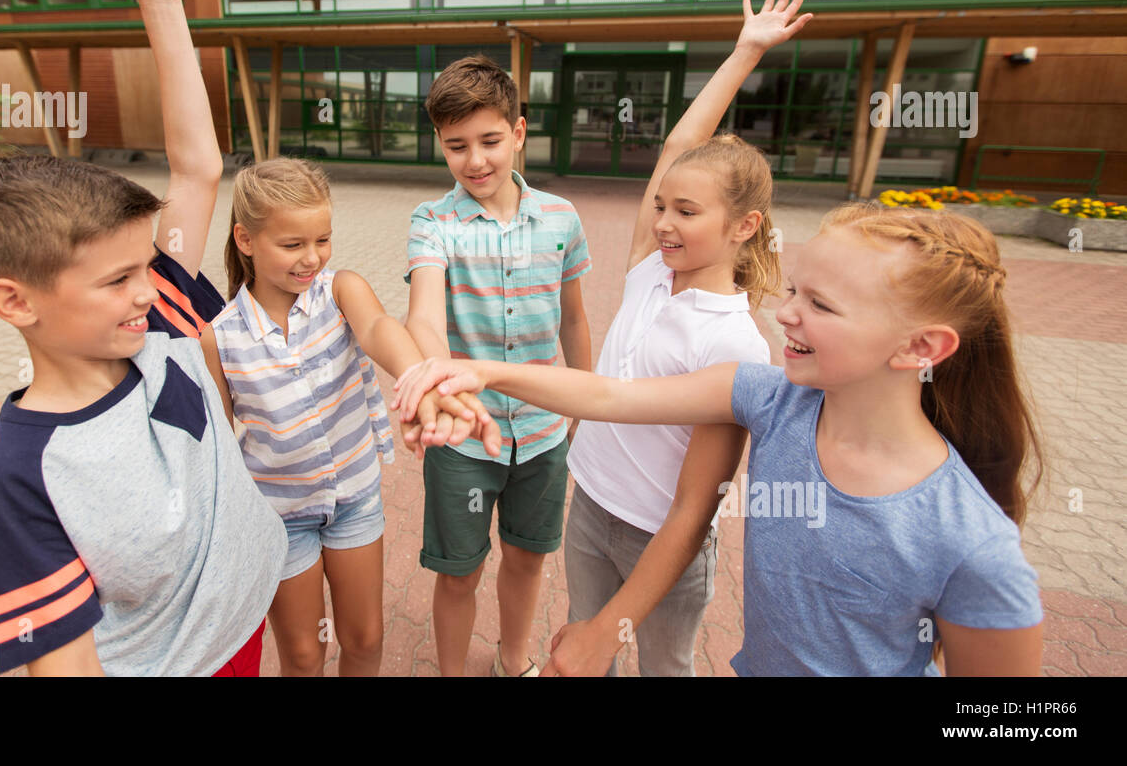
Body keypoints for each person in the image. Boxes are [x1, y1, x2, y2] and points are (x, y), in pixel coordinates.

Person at [394, 202, 1046, 676]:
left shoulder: (972, 544)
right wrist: (477, 370)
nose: (785, 311)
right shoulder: (771, 398)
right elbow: (610, 396)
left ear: (921, 347)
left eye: (821, 305)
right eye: (794, 289)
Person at [0, 0, 285, 675]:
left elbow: (197, 167)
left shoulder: (153, 313)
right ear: (13, 300)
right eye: (116, 279)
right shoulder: (23, 474)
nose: (153, 286)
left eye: (146, 266)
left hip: (249, 623)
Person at [550, 0, 812, 676]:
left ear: (744, 225)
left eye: (687, 212)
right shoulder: (647, 269)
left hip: (660, 539)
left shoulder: (734, 343)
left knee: (660, 667)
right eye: (661, 205)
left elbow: (696, 509)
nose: (664, 222)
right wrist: (744, 53)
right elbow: (680, 143)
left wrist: (616, 624)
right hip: (591, 505)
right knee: (585, 653)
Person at [199, 158, 490, 676]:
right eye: (292, 245)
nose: (312, 258)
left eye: (323, 240)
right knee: (305, 654)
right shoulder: (218, 339)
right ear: (245, 240)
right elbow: (218, 443)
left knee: (364, 638)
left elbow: (381, 329)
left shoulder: (341, 291)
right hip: (279, 516)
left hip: (354, 497)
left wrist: (422, 387)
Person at [403, 55, 590, 676]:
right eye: (457, 146)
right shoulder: (433, 222)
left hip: (542, 432)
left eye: (489, 140)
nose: (475, 160)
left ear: (518, 131)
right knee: (459, 574)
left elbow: (574, 318)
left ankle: (515, 663)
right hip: (461, 437)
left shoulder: (563, 218)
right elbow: (424, 317)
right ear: (440, 144)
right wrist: (443, 390)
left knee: (528, 557)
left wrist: (580, 401)